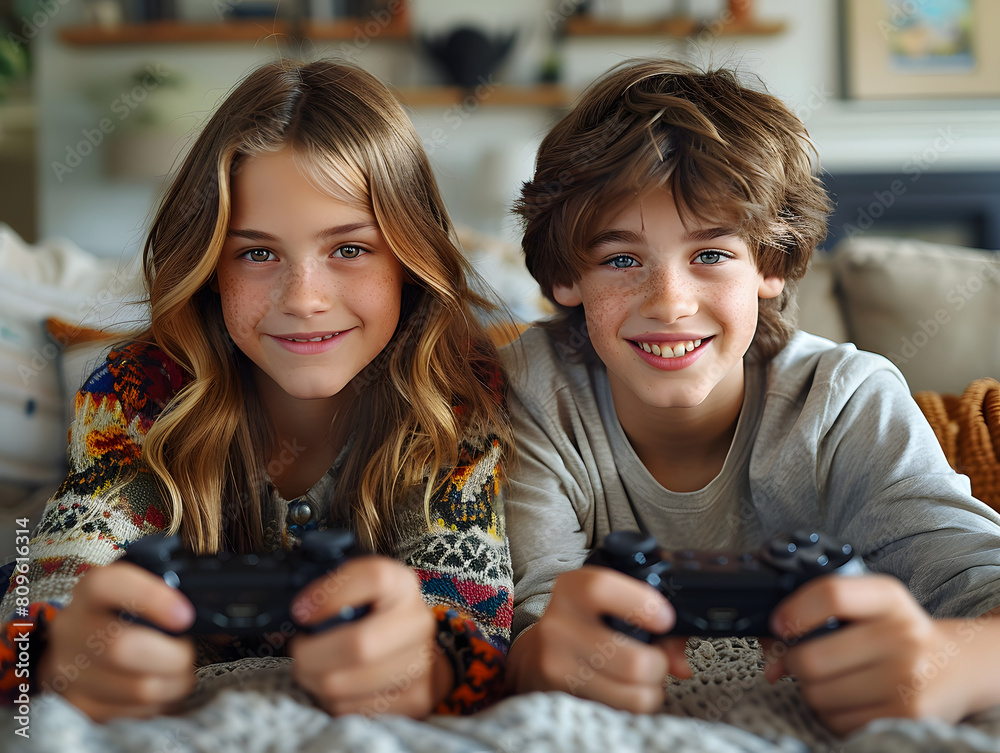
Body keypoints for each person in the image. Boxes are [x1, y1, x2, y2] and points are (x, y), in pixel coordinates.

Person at [0, 59, 514, 722]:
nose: (303, 299)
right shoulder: (134, 389)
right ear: (211, 266)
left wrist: (433, 661)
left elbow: (471, 607)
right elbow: (61, 567)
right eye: (257, 253)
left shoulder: (457, 389)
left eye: (349, 249)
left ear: (408, 261)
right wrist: (59, 644)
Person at [502, 57, 1000, 737]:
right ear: (566, 277)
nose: (670, 302)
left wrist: (953, 663)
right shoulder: (529, 389)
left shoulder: (846, 400)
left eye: (710, 254)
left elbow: (980, 579)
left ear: (769, 263)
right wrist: (542, 656)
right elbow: (529, 617)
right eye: (622, 259)